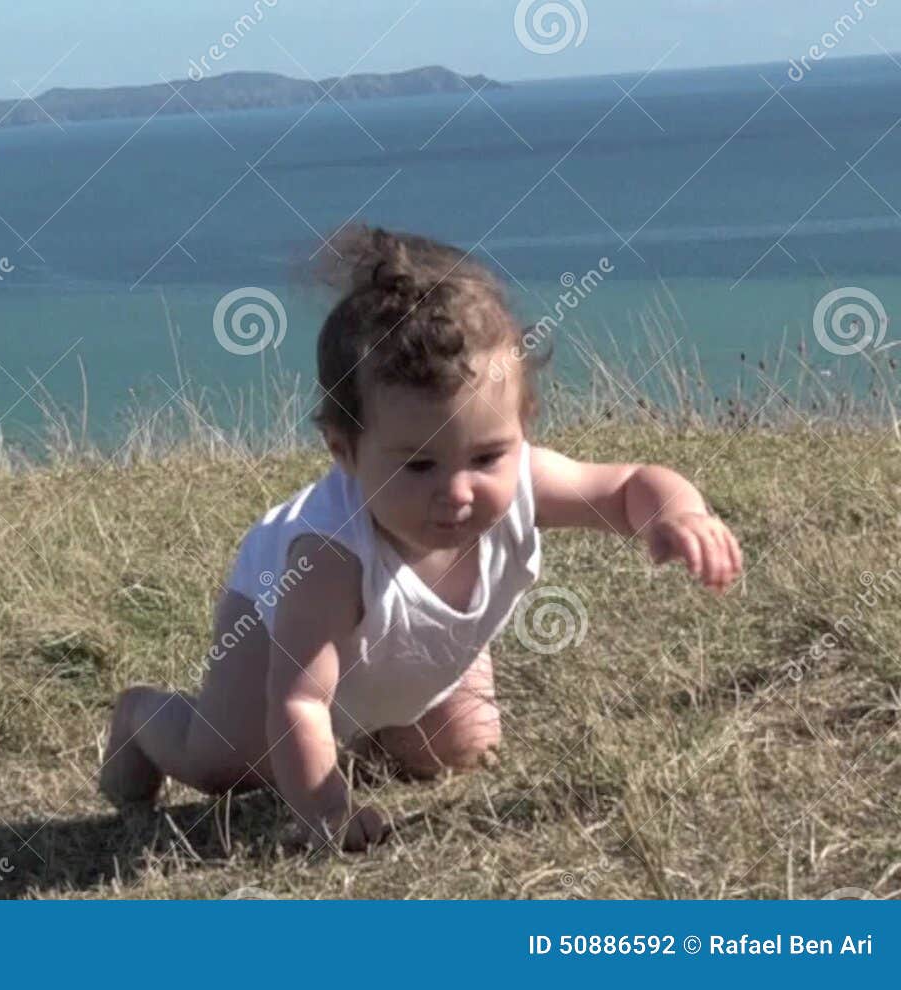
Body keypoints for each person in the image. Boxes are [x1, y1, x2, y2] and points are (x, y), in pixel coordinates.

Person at [99, 225, 742, 850]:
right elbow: (297, 699)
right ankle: (139, 721)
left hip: (396, 654)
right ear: (344, 450)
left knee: (461, 750)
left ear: (525, 426)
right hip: (276, 637)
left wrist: (676, 515)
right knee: (233, 762)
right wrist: (326, 812)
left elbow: (630, 485)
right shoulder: (327, 561)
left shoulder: (521, 482)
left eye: (487, 456)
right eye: (419, 465)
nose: (458, 492)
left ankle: (372, 732)